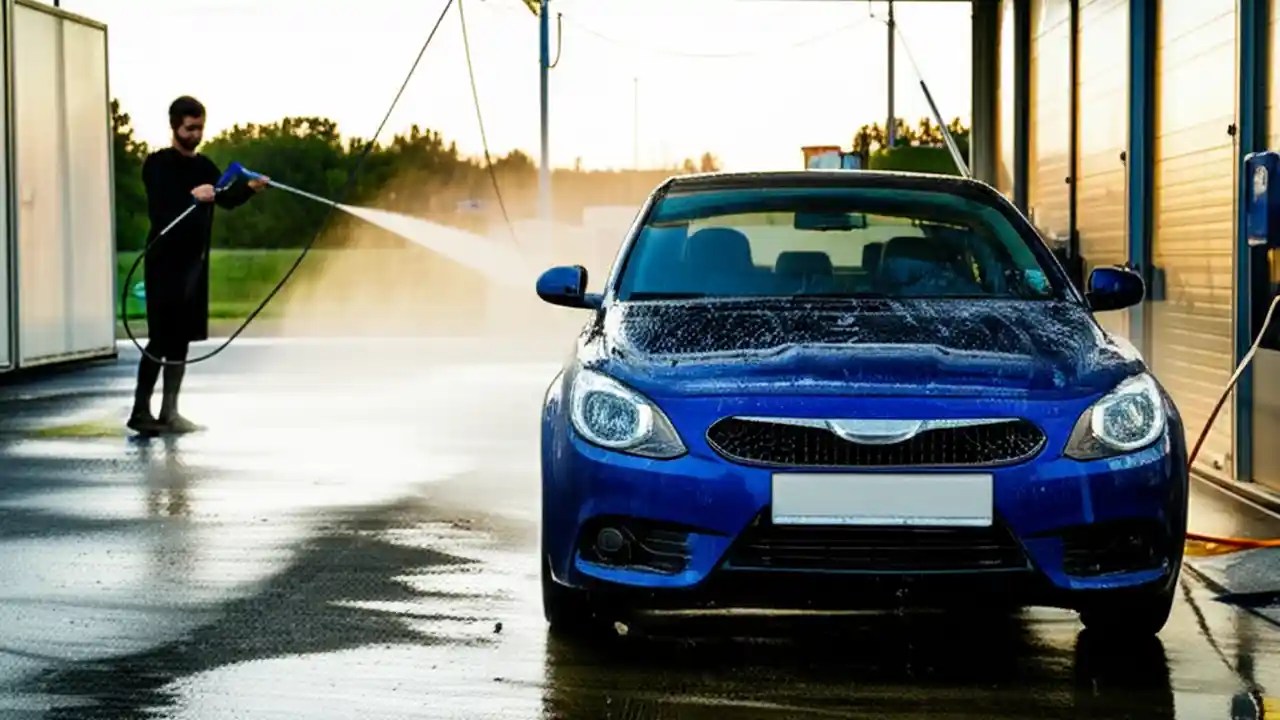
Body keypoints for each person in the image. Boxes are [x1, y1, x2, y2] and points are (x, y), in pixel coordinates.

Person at [127, 96, 269, 435]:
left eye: (200, 128)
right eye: (190, 128)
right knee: (160, 339)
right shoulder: (158, 164)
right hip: (164, 263)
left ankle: (170, 413)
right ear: (175, 126)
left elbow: (225, 197)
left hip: (194, 265)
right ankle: (140, 412)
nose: (196, 134)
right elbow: (163, 203)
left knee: (181, 340)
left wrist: (249, 188)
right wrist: (195, 197)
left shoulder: (205, 167)